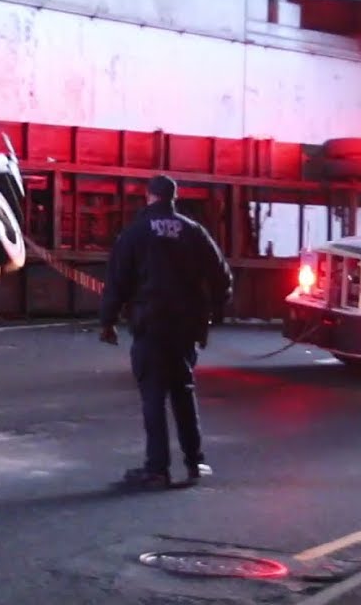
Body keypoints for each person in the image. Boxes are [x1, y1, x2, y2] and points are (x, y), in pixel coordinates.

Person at [98, 175, 233, 488]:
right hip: (185, 327)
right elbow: (221, 276)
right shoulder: (193, 231)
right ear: (175, 197)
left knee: (153, 398)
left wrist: (107, 322)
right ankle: (195, 462)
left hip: (151, 325)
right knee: (184, 391)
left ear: (149, 197)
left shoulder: (135, 234)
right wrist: (212, 312)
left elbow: (117, 281)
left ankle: (157, 469)